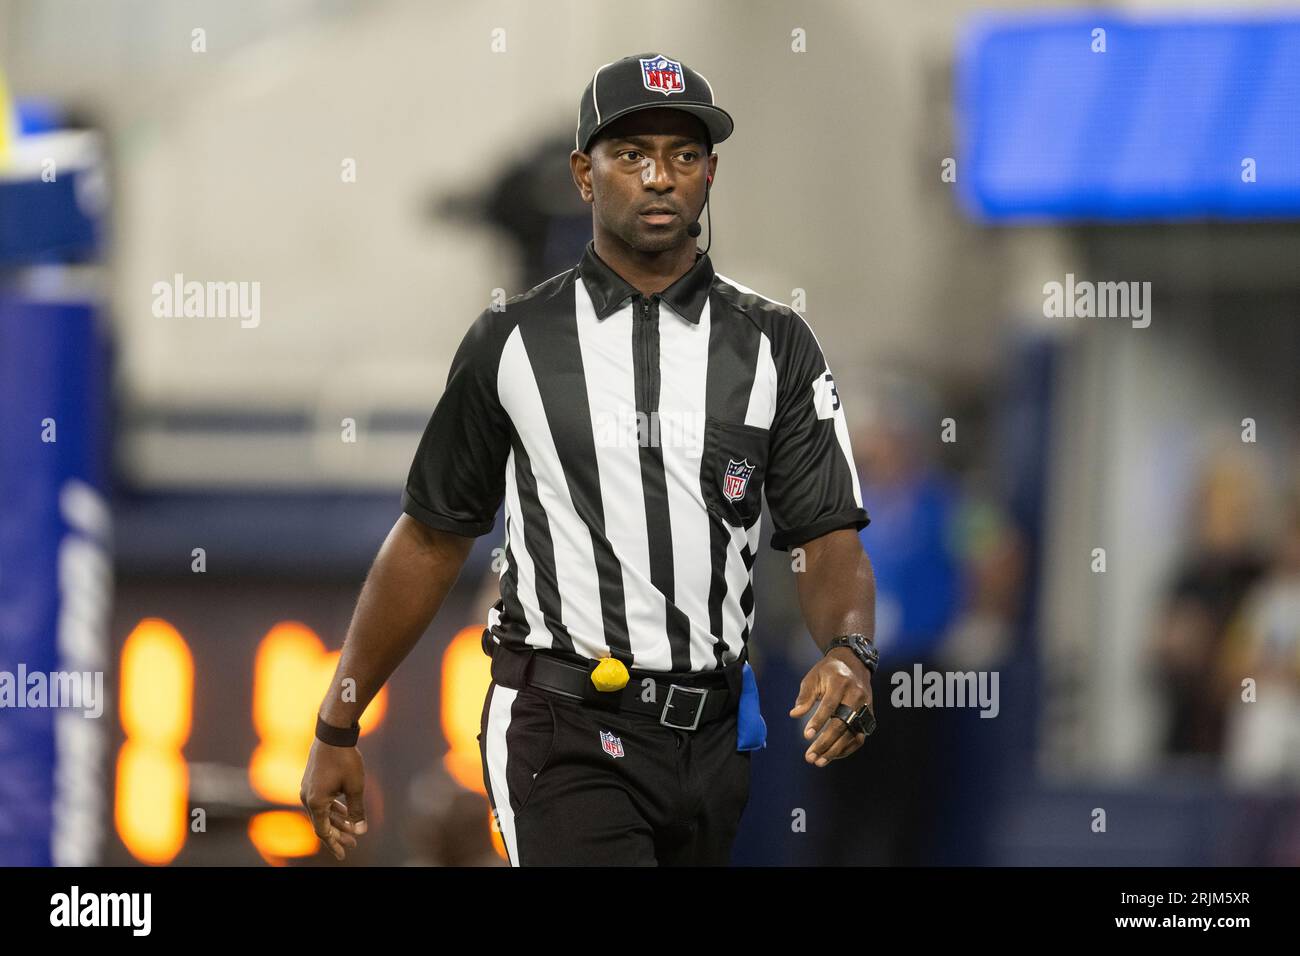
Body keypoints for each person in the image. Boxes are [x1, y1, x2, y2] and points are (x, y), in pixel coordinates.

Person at [300, 52, 879, 866]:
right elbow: (431, 537)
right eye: (632, 154)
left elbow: (826, 536)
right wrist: (338, 719)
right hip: (562, 726)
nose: (659, 177)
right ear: (584, 173)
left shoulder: (777, 345)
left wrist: (850, 651)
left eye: (683, 156)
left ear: (710, 173)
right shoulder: (511, 340)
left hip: (712, 738)